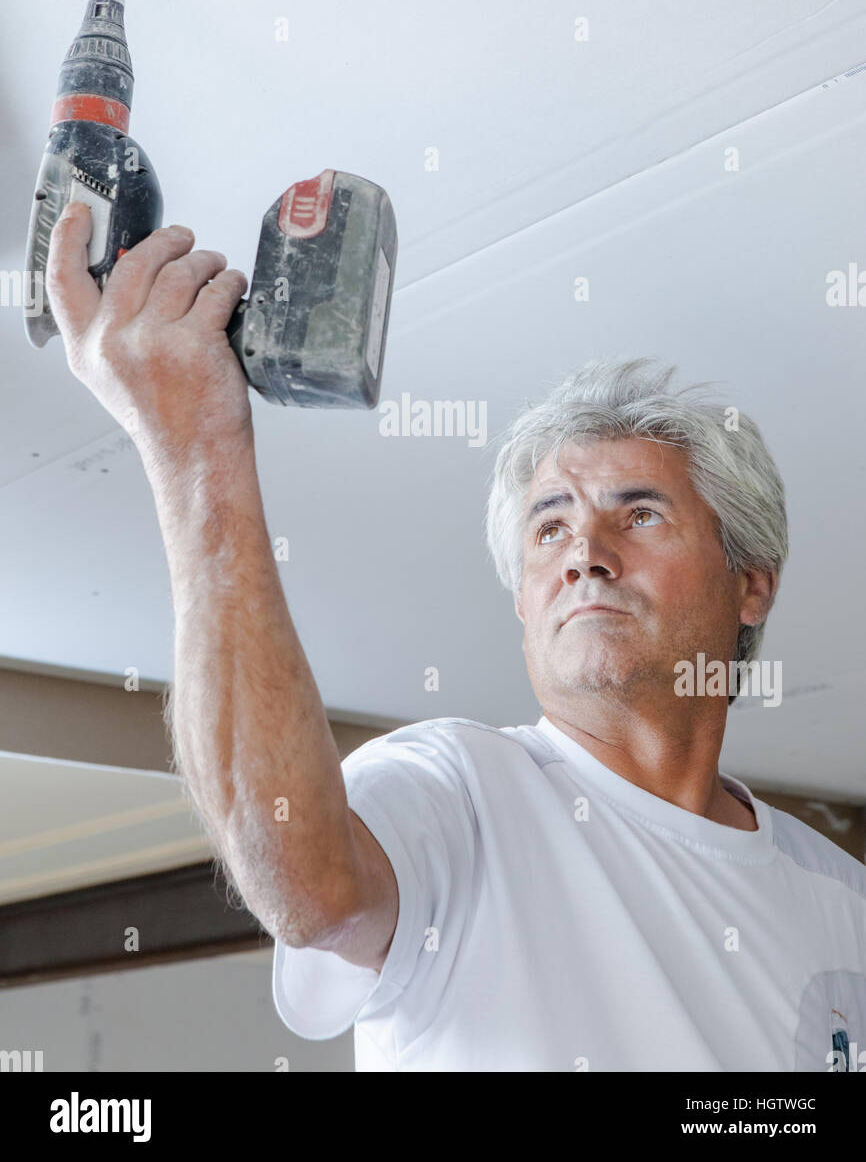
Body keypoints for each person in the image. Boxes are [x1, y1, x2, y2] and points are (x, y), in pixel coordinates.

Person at [47, 202, 866, 1073]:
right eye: (549, 528)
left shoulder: (840, 897)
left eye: (640, 513)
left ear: (750, 581)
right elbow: (315, 892)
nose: (586, 554)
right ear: (523, 599)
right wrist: (197, 451)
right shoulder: (460, 791)